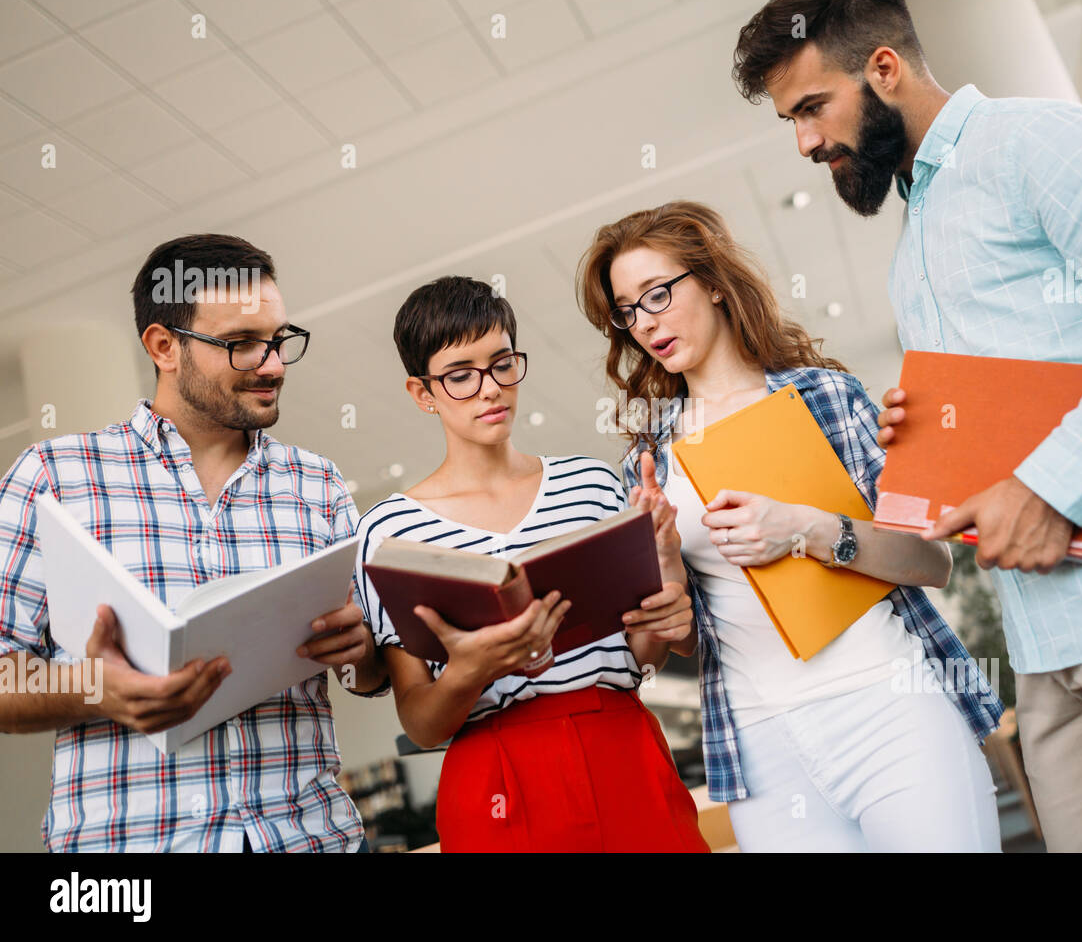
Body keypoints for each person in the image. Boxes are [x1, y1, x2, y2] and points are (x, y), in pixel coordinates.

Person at [733, 0, 1082, 850]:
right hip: (1048, 646)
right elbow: (1033, 387)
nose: (808, 142)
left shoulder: (1038, 143)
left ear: (883, 68)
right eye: (792, 123)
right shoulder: (918, 233)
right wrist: (930, 435)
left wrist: (1051, 486)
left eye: (814, 107)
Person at [575, 200, 1002, 852]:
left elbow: (932, 562)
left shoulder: (822, 399)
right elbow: (686, 639)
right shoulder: (647, 460)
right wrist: (659, 566)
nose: (646, 322)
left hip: (888, 703)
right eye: (628, 310)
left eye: (659, 294)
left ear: (714, 282)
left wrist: (806, 529)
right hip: (760, 745)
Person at [0, 234, 386, 852]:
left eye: (279, 338)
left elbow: (365, 674)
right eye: (241, 344)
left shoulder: (319, 486)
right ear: (163, 346)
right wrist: (93, 690)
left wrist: (363, 654)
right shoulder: (53, 479)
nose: (273, 364)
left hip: (312, 840)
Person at [353, 275, 710, 852]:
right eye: (460, 376)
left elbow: (643, 654)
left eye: (502, 364)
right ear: (423, 394)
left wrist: (667, 581)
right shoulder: (390, 532)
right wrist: (471, 670)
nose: (490, 389)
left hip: (622, 746)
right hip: (492, 769)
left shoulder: (591, 485)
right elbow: (419, 720)